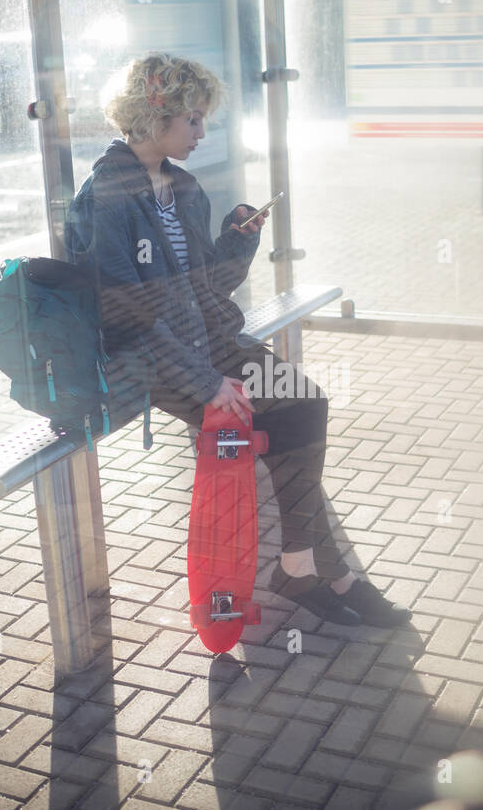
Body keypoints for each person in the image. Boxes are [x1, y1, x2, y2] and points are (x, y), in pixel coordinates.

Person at [64, 52, 409, 629]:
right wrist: (207, 382)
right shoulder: (108, 194)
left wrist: (237, 239)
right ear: (157, 114)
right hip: (152, 362)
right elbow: (122, 313)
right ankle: (328, 575)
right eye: (193, 120)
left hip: (209, 341)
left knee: (302, 408)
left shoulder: (184, 188)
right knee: (290, 423)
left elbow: (211, 287)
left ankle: (302, 568)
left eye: (203, 119)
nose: (202, 132)